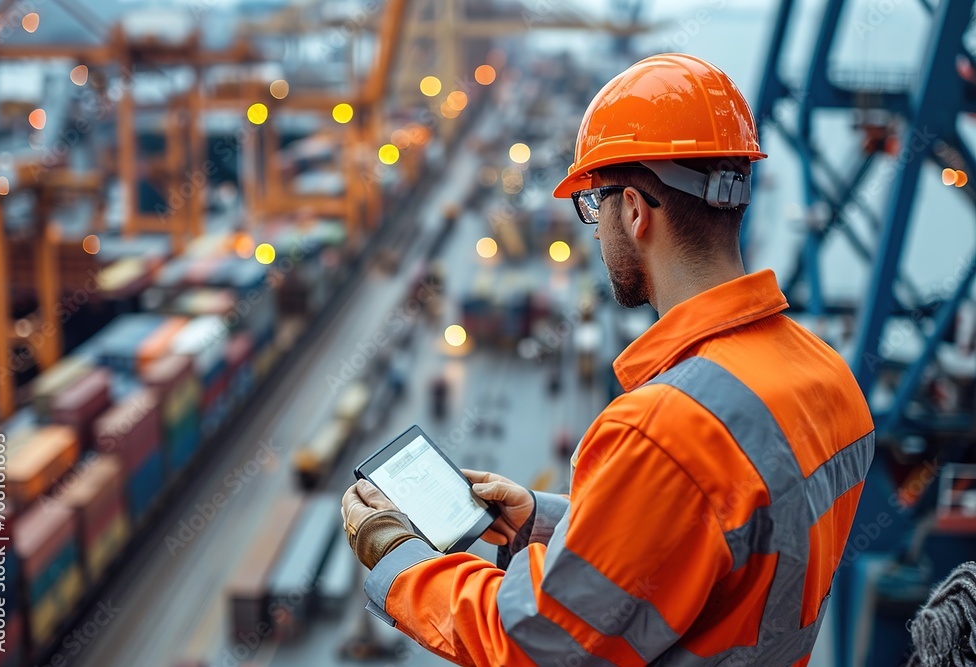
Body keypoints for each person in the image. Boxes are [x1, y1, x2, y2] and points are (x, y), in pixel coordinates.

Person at [341, 53, 874, 666]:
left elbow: (533, 645)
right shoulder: (825, 375)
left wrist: (399, 556)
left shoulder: (663, 431)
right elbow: (723, 536)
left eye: (593, 206)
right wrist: (546, 522)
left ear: (634, 211)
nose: (595, 233)